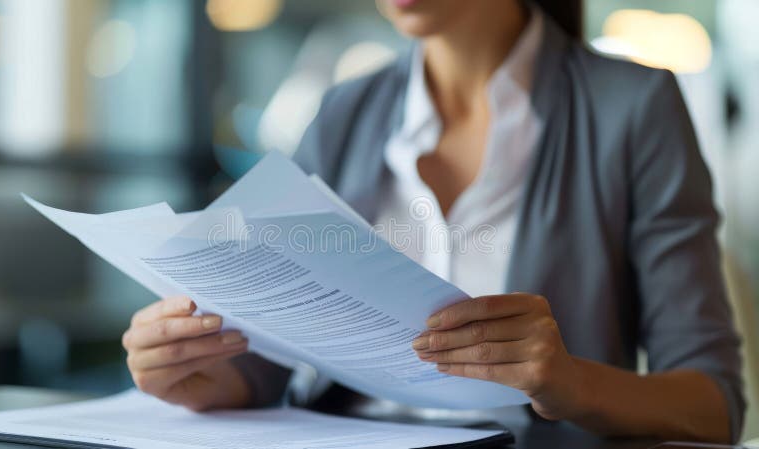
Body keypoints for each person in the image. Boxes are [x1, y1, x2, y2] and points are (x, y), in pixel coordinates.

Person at [120, 0, 744, 443]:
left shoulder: (632, 110)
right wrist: (194, 373)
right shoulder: (343, 112)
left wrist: (570, 382)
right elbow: (266, 364)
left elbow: (714, 405)